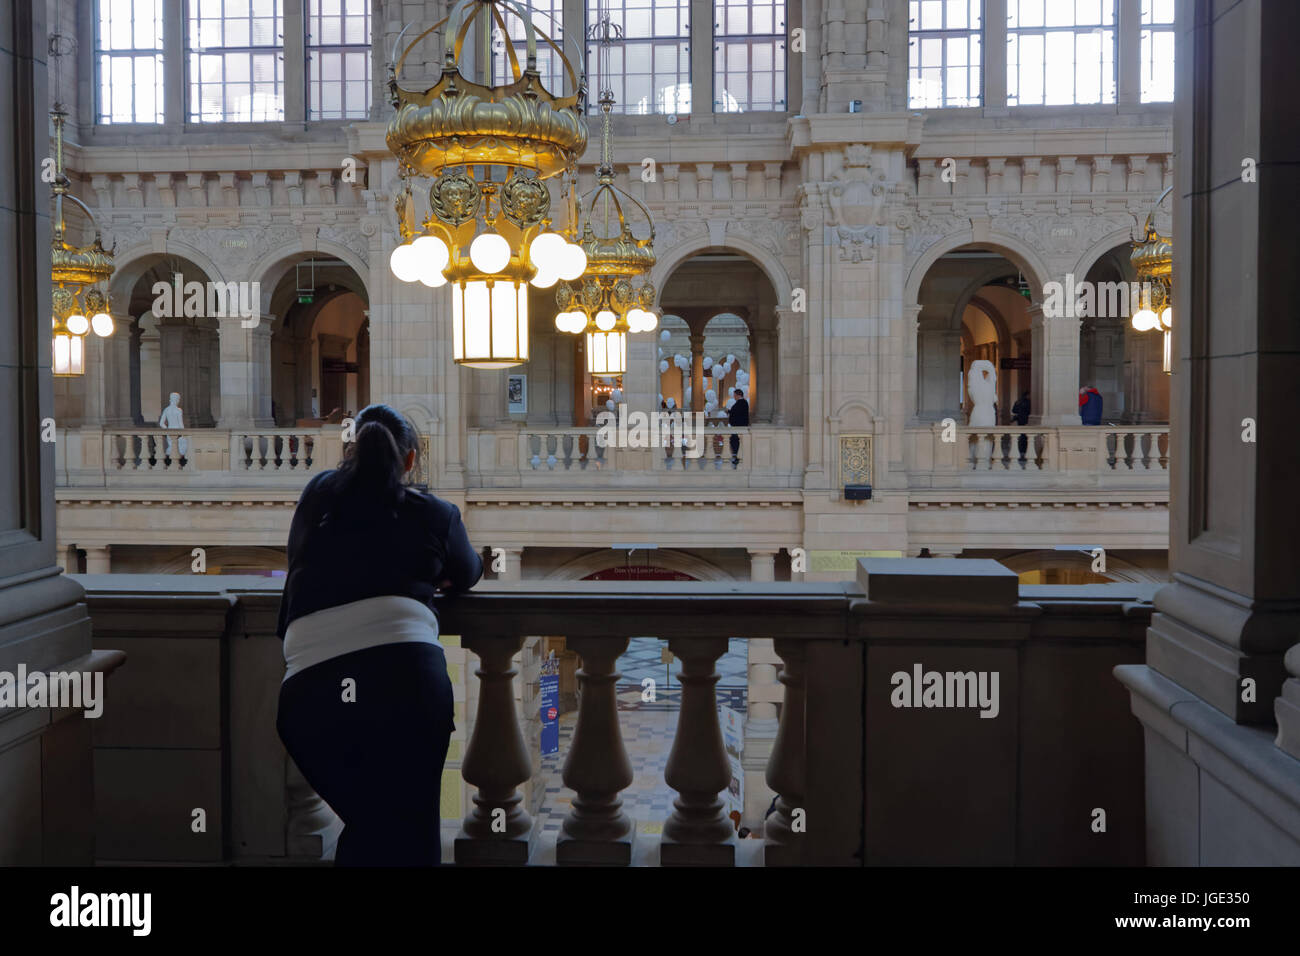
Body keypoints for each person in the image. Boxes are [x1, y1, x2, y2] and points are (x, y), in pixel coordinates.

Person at [275, 403, 483, 866]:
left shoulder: (316, 496)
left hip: (311, 698)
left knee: (371, 824)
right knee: (410, 828)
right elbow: (468, 573)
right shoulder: (435, 513)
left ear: (349, 454)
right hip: (408, 684)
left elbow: (298, 566)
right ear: (410, 461)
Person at [728, 387, 750, 465]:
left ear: (738, 395)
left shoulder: (742, 402)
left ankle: (738, 458)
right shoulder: (742, 403)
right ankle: (737, 457)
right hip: (737, 426)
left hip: (739, 427)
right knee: (735, 442)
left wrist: (730, 412)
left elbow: (737, 413)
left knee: (736, 443)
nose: (734, 397)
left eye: (734, 395)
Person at [1011, 390, 1031, 458]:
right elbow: (1029, 411)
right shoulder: (1028, 402)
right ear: (1027, 395)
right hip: (1025, 421)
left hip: (1020, 421)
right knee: (1024, 438)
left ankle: (1021, 452)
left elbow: (1013, 410)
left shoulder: (1018, 401)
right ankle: (1023, 453)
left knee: (1022, 437)